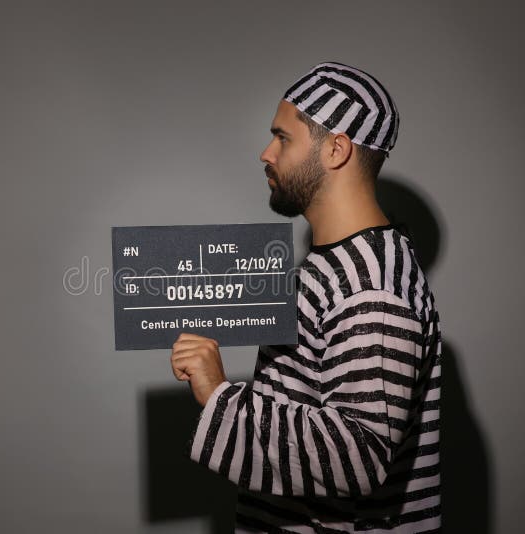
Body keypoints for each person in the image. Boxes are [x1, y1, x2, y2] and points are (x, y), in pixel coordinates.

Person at [170, 62, 442, 533]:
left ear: (336, 149)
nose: (266, 153)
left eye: (283, 138)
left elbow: (360, 456)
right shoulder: (333, 263)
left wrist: (219, 395)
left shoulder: (371, 284)